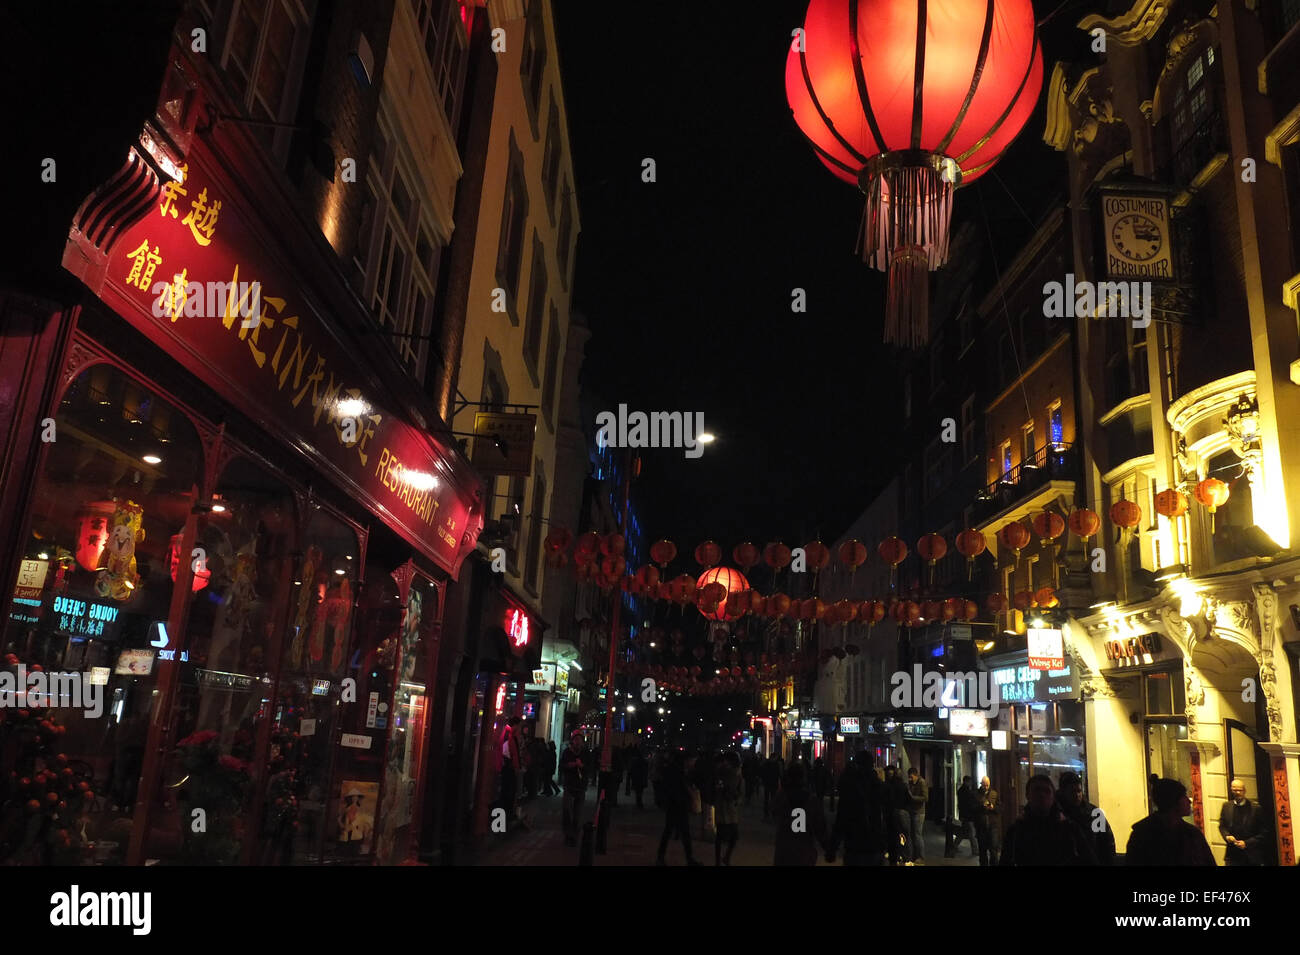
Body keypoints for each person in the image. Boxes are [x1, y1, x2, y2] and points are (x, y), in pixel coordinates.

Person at [999, 775, 1097, 866]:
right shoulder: (1016, 831)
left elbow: (1088, 859)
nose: (1042, 795)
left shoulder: (1069, 829)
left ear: (1053, 797)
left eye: (1047, 791)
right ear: (1027, 795)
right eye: (1037, 790)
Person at [1125, 778, 1216, 866]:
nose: (1189, 801)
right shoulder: (1143, 835)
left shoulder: (1192, 834)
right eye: (1184, 796)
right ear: (1173, 801)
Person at [828, 751, 887, 865]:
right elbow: (888, 819)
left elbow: (841, 820)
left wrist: (833, 847)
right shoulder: (880, 787)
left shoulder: (850, 789)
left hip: (855, 845)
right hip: (875, 845)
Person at [771, 763, 831, 865]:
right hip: (804, 852)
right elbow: (820, 829)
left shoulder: (781, 797)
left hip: (784, 852)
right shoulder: (812, 800)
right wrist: (828, 848)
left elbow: (774, 813)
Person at [1057, 771, 1115, 865]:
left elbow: (1107, 844)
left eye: (1079, 791)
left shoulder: (1094, 814)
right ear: (1063, 792)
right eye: (1072, 791)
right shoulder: (1056, 814)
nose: (1077, 795)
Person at [656, 749, 701, 865]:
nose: (693, 763)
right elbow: (676, 789)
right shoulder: (678, 771)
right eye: (693, 761)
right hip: (677, 805)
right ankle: (687, 858)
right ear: (688, 760)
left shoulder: (678, 769)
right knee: (678, 832)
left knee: (672, 831)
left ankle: (663, 857)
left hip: (675, 805)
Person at [1218, 778, 1271, 866]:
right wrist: (1227, 836)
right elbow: (1222, 826)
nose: (1238, 793)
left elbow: (1264, 832)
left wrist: (1246, 843)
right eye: (1235, 790)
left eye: (1240, 790)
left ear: (1244, 790)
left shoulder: (1255, 808)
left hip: (1251, 855)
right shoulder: (1226, 806)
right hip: (1232, 855)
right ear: (1231, 790)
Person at [714, 751, 743, 865]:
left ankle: (725, 858)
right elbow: (718, 787)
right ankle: (720, 860)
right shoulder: (721, 772)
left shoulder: (736, 773)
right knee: (721, 836)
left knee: (732, 836)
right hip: (724, 807)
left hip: (730, 807)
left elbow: (740, 790)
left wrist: (736, 797)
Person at [559, 732, 586, 846]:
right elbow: (561, 766)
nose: (578, 741)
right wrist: (569, 765)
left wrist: (582, 766)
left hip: (580, 787)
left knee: (577, 814)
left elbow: (590, 767)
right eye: (576, 739)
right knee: (567, 811)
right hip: (569, 785)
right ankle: (568, 834)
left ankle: (574, 836)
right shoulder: (567, 752)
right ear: (572, 741)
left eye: (580, 739)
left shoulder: (585, 753)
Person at [884, 765, 911, 865]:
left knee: (896, 834)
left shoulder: (889, 785)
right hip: (903, 811)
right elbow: (908, 799)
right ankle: (907, 857)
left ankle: (897, 855)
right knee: (906, 835)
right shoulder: (904, 786)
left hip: (894, 811)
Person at [498, 716, 522, 822]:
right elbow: (509, 754)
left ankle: (505, 818)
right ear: (516, 725)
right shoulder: (509, 735)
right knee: (507, 793)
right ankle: (503, 820)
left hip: (509, 767)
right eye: (519, 726)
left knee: (508, 792)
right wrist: (515, 767)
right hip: (509, 768)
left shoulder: (509, 734)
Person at [975, 776, 1001, 866]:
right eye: (984, 785)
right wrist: (981, 806)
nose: (986, 787)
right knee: (982, 850)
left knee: (994, 849)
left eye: (987, 785)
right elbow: (972, 809)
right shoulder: (976, 794)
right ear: (981, 784)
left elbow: (1000, 808)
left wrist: (993, 807)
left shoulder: (994, 794)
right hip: (981, 826)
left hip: (992, 825)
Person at [906, 766, 929, 864]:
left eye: (911, 777)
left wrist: (913, 798)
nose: (910, 779)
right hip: (913, 811)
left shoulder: (921, 782)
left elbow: (925, 797)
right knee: (914, 834)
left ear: (916, 775)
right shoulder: (912, 783)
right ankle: (915, 855)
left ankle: (920, 856)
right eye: (909, 777)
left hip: (919, 812)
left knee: (917, 835)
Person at [955, 775, 978, 856]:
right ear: (967, 782)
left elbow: (961, 804)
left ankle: (954, 846)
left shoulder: (961, 790)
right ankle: (975, 851)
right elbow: (969, 803)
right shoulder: (967, 791)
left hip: (964, 815)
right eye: (970, 782)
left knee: (963, 832)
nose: (970, 783)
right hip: (968, 815)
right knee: (972, 833)